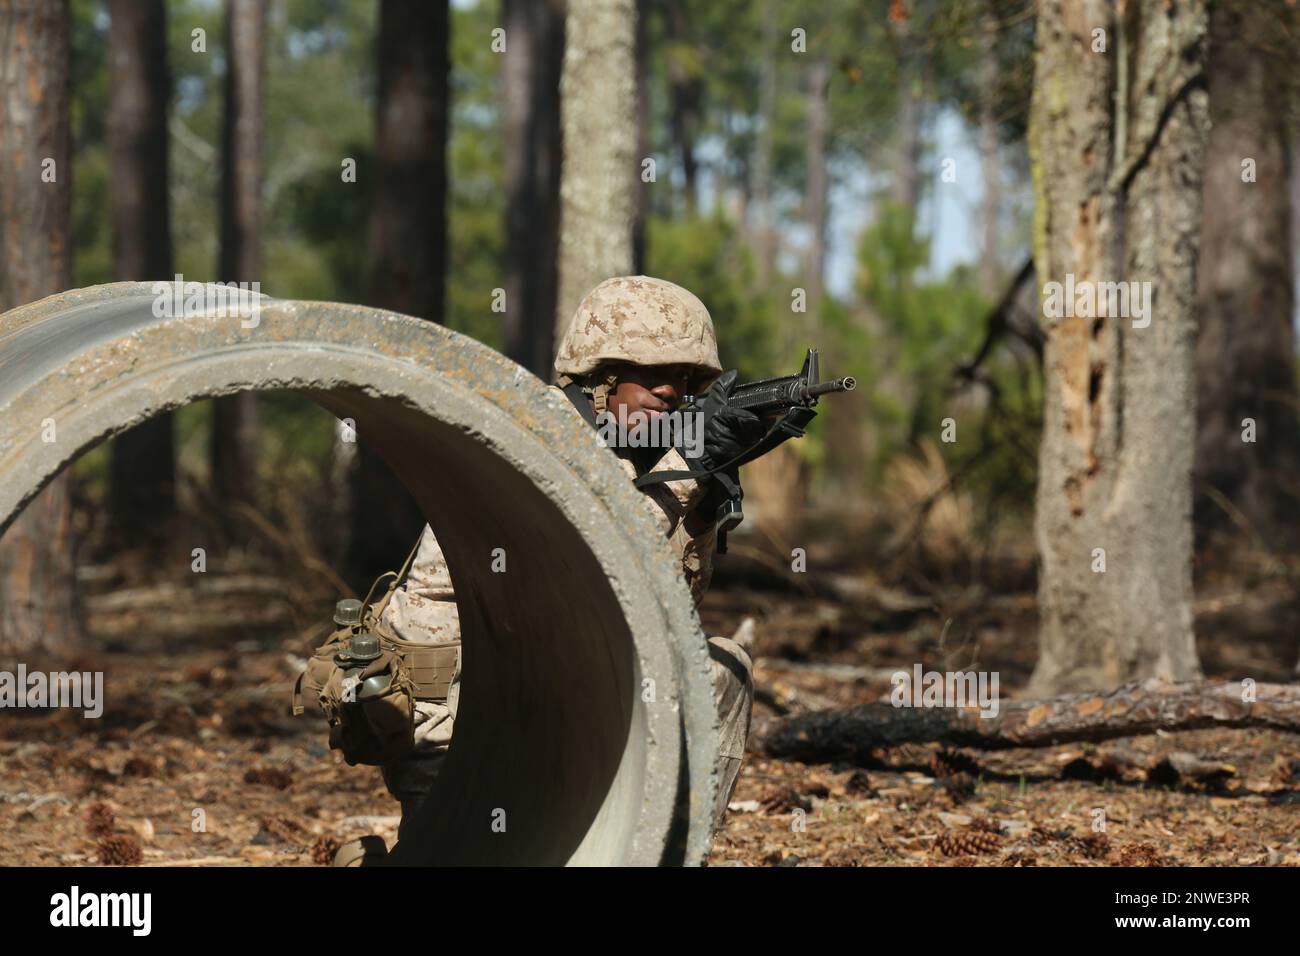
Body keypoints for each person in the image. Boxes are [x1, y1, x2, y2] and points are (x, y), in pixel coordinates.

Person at [331, 275, 767, 865]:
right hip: (459, 711)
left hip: (555, 691)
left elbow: (661, 614)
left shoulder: (642, 455)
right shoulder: (527, 438)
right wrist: (687, 470)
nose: (671, 391)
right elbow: (587, 571)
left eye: (687, 380)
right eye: (652, 371)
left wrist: (707, 497)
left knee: (719, 669)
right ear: (600, 376)